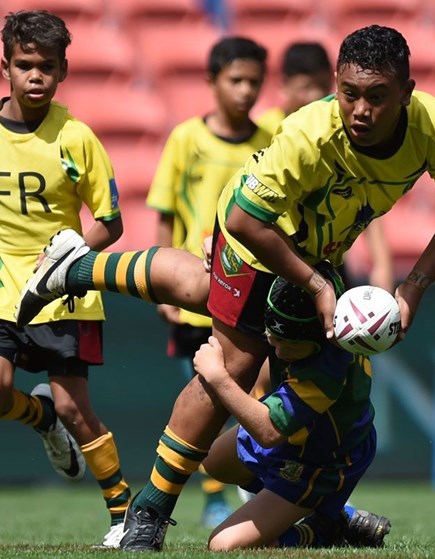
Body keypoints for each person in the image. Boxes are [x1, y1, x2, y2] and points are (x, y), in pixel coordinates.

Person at [17, 24, 435, 550]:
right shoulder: (310, 136)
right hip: (258, 237)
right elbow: (244, 221)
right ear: (336, 83)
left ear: (408, 91)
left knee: (198, 287)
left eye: (378, 97)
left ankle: (73, 269)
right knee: (235, 362)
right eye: (350, 93)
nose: (360, 110)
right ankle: (147, 514)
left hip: (315, 254)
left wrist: (416, 285)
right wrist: (313, 282)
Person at [0, 10, 130, 547]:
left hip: (64, 296)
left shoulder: (76, 137)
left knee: (80, 410)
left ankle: (125, 514)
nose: (35, 77)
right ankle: (41, 417)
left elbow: (111, 222)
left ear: (63, 71)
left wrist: (69, 257)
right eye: (25, 65)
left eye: (47, 67)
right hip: (3, 291)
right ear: (4, 66)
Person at [146, 36, 273, 528]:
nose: (245, 91)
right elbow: (163, 212)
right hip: (197, 290)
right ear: (212, 82)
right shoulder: (186, 139)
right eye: (235, 80)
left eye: (254, 83)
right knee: (206, 395)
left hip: (248, 291)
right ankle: (217, 490)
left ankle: (246, 480)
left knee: (252, 388)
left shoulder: (270, 139)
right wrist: (162, 287)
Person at [195, 263, 390, 550]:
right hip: (295, 432)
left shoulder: (324, 374)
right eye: (271, 333)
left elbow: (269, 432)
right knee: (214, 461)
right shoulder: (306, 315)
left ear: (319, 339)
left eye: (287, 343)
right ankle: (332, 512)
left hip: (320, 461)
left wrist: (219, 378)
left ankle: (323, 530)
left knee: (223, 545)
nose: (273, 343)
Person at [258, 41, 394, 293]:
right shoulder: (264, 133)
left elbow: (364, 201)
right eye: (306, 87)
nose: (314, 96)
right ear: (283, 84)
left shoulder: (345, 131)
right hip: (272, 262)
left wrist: (382, 268)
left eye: (321, 87)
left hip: (328, 264)